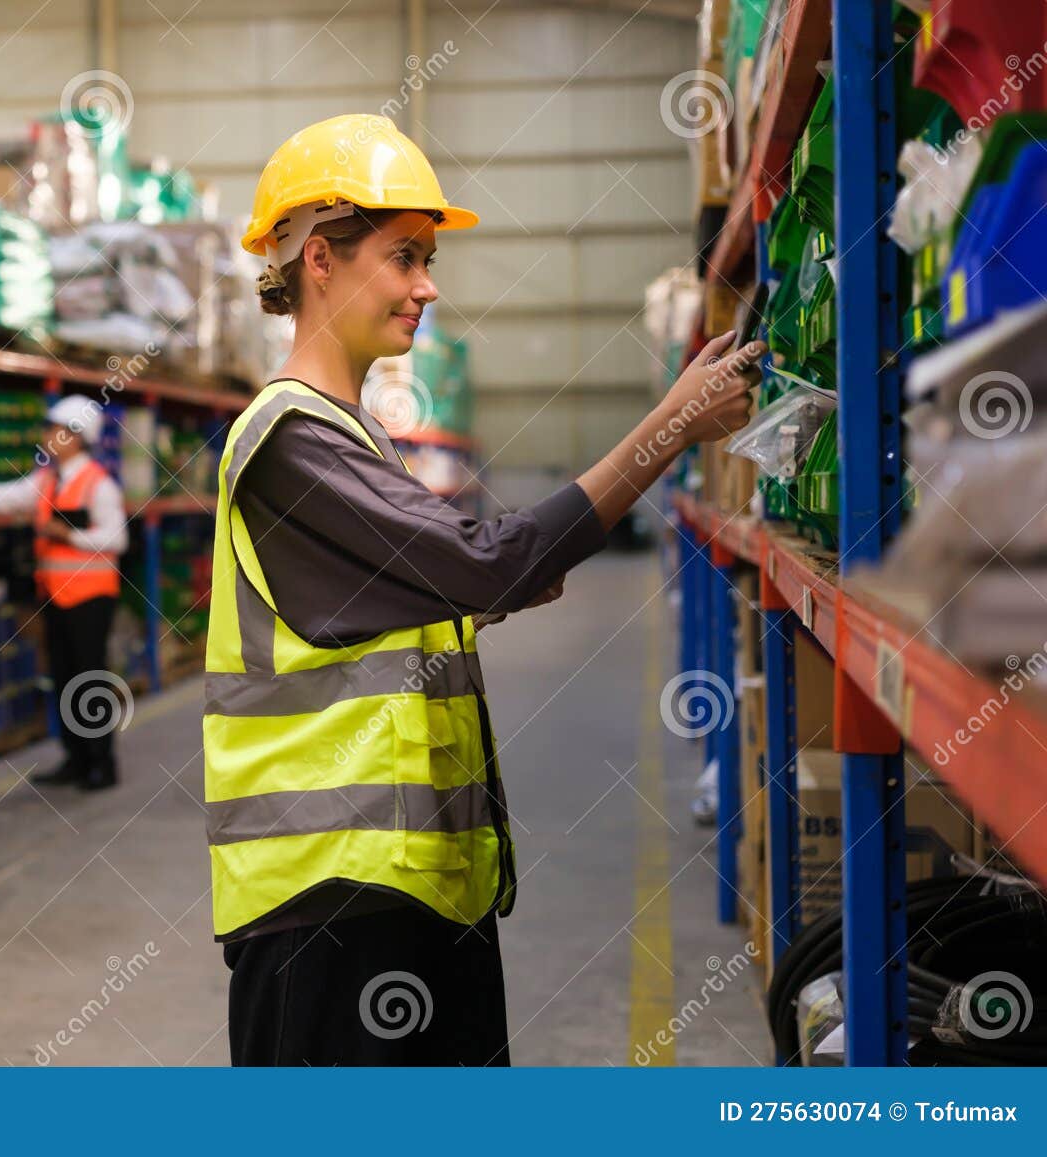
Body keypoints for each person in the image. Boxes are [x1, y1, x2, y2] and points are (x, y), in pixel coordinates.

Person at [207, 114, 764, 1066]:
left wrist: (482, 581)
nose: (427, 285)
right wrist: (669, 427)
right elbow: (489, 560)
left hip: (412, 890)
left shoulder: (349, 433)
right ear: (319, 260)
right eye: (404, 257)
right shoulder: (289, 441)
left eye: (428, 260)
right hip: (331, 912)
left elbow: (451, 580)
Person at [0, 394, 129, 791]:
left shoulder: (98, 484)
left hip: (91, 599)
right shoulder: (46, 481)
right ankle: (75, 758)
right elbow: (2, 497)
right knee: (63, 676)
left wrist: (68, 535)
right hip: (55, 595)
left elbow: (117, 538)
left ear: (76, 436)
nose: (47, 435)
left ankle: (102, 763)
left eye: (55, 429)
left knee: (89, 679)